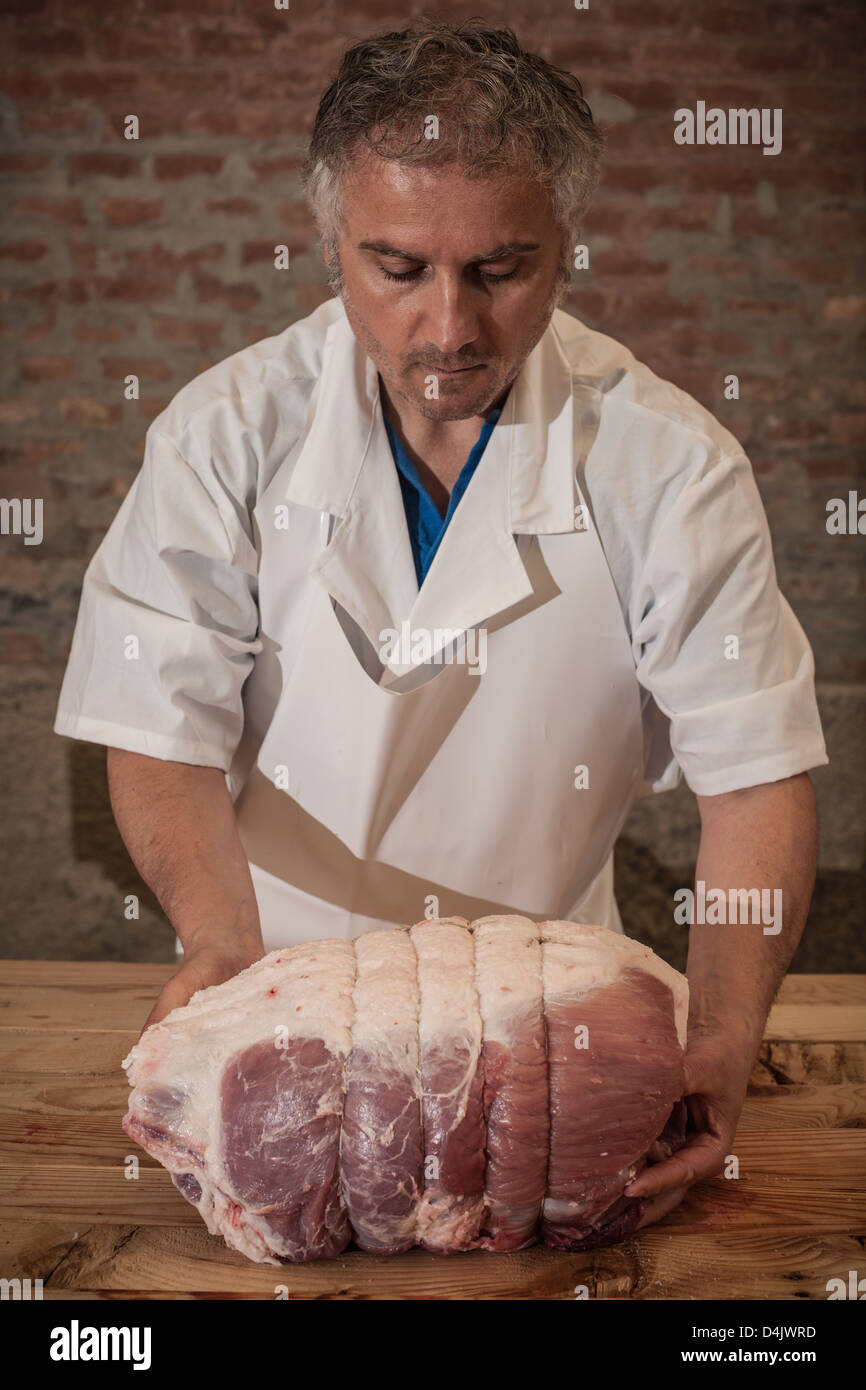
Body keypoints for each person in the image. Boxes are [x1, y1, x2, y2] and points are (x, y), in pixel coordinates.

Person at [54, 20, 827, 1229]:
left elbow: (755, 776)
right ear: (328, 246)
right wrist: (214, 945)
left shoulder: (668, 466)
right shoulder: (221, 437)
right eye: (398, 268)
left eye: (501, 268)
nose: (449, 328)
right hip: (277, 1002)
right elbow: (155, 724)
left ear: (567, 247)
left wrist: (723, 1036)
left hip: (552, 1032)